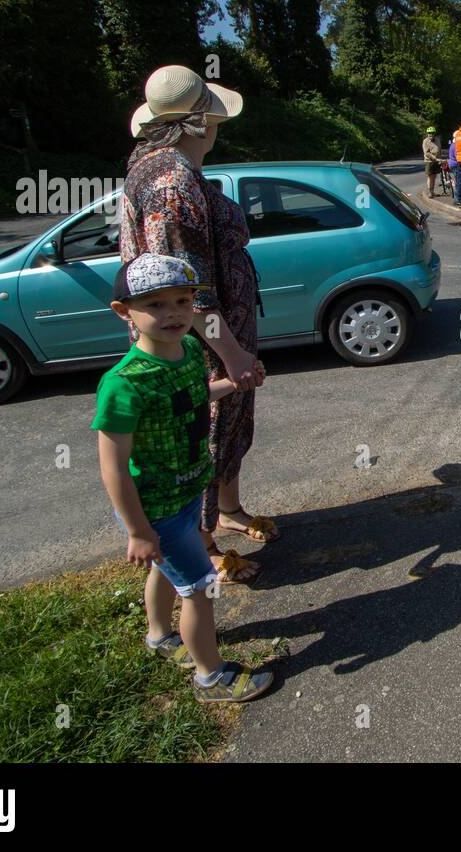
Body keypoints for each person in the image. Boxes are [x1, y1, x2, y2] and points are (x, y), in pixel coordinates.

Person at [94, 252, 273, 703]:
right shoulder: (125, 384)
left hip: (187, 493)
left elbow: (194, 398)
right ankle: (211, 677)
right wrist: (137, 531)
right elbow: (113, 467)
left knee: (169, 572)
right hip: (155, 509)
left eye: (182, 301)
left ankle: (158, 636)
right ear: (123, 312)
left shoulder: (191, 351)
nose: (172, 313)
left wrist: (234, 384)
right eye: (154, 305)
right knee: (199, 589)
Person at [120, 65, 269, 586]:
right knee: (203, 436)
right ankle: (202, 546)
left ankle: (227, 510)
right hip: (202, 343)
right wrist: (232, 354)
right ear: (197, 122)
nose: (219, 126)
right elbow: (186, 291)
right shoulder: (171, 184)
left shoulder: (159, 165)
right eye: (213, 117)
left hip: (216, 332)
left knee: (229, 426)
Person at [422, 126, 442, 197]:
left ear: (434, 134)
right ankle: (430, 192)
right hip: (429, 161)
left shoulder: (437, 140)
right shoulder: (425, 141)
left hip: (437, 161)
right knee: (430, 177)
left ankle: (432, 191)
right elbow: (427, 153)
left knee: (434, 177)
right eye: (429, 133)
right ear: (427, 134)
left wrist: (440, 159)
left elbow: (439, 150)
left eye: (432, 133)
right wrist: (435, 158)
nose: (430, 134)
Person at [447, 136, 461, 206]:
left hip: (452, 164)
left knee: (455, 181)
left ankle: (457, 199)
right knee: (458, 182)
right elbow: (457, 157)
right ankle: (457, 199)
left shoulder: (452, 144)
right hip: (456, 165)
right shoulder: (455, 146)